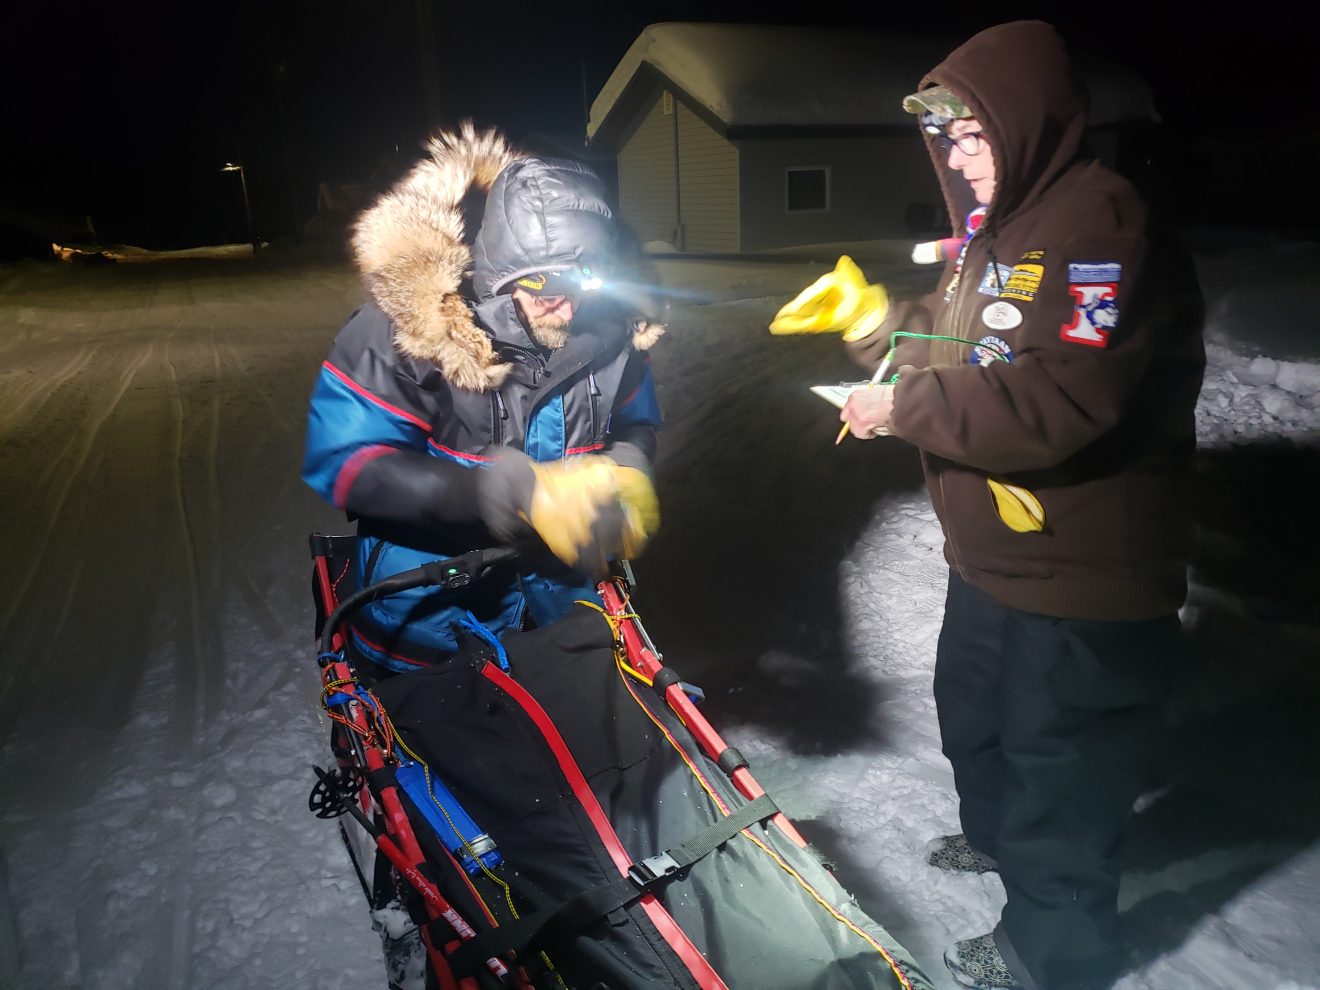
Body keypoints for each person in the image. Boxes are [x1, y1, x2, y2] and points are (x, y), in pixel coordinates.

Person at [770, 21, 1205, 990]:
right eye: (950, 141)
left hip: (1085, 573)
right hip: (995, 561)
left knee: (1065, 776)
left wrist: (903, 405)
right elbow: (950, 342)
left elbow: (1059, 399)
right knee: (976, 719)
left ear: (1027, 123)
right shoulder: (990, 240)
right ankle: (1002, 844)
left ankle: (1053, 953)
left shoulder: (1103, 228)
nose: (961, 160)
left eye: (976, 137)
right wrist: (878, 323)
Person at [302, 122, 665, 676]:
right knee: (442, 751)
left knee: (578, 743)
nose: (567, 312)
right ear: (500, 275)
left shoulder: (614, 331)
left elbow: (635, 421)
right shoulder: (405, 329)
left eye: (581, 290)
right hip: (433, 607)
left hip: (566, 598)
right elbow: (346, 461)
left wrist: (629, 464)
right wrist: (501, 490)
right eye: (544, 289)